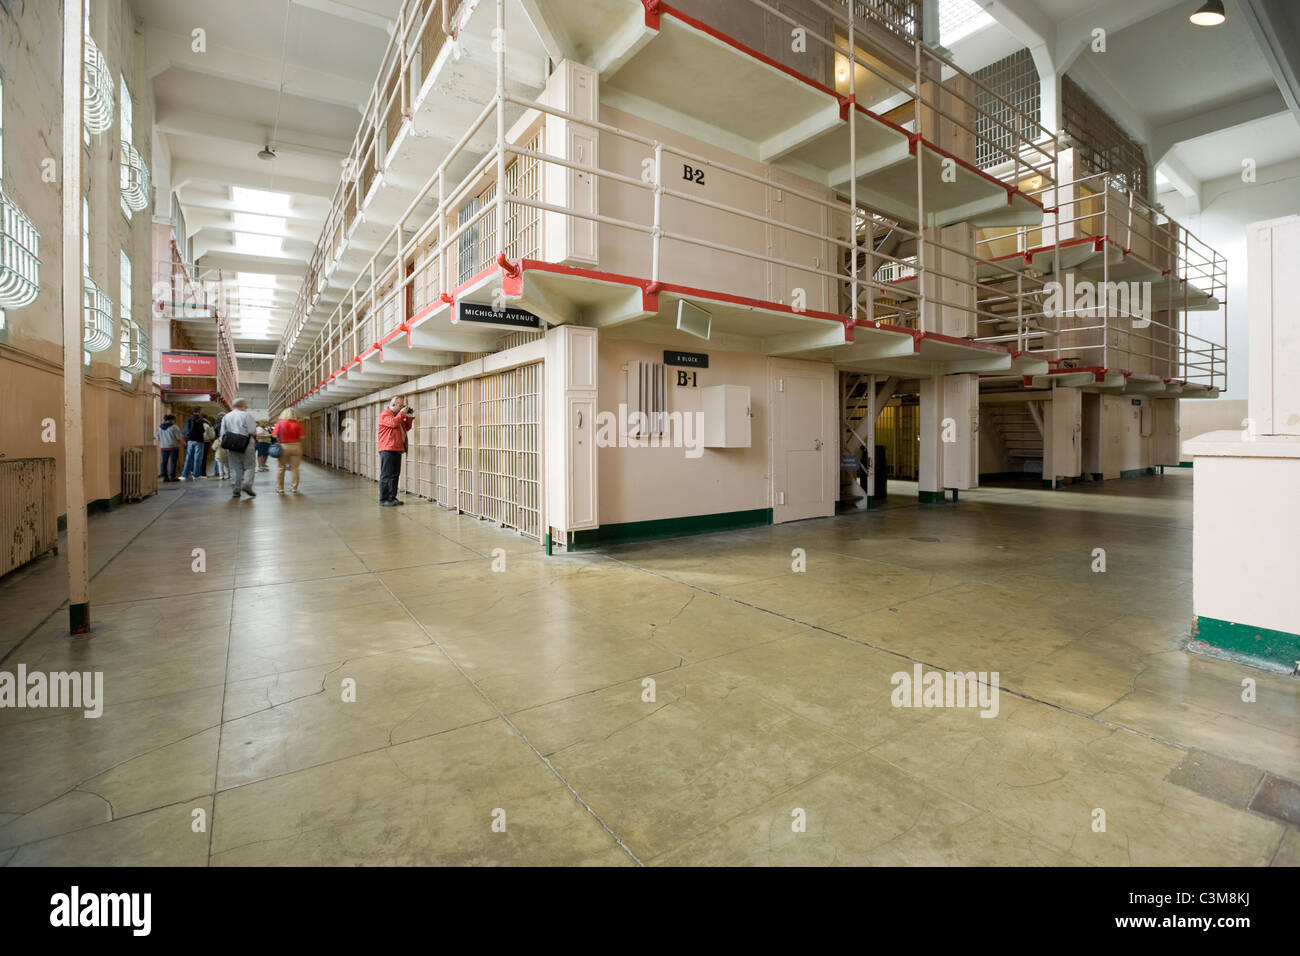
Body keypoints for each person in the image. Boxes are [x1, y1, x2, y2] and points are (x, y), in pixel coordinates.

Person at [377, 396, 414, 507]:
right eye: (400, 405)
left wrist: (409, 416)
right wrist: (402, 414)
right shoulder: (385, 414)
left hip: (397, 448)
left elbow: (406, 428)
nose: (402, 407)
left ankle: (392, 497)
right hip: (387, 449)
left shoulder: (397, 416)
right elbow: (393, 423)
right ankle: (384, 499)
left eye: (403, 405)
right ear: (393, 404)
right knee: (386, 475)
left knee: (395, 475)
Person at [219, 398, 259, 499]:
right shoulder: (246, 415)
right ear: (243, 405)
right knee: (249, 466)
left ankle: (236, 490)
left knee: (235, 467)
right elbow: (252, 431)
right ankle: (247, 484)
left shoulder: (226, 416)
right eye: (246, 405)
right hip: (246, 445)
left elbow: (222, 433)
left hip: (232, 445)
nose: (247, 406)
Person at [273, 407, 305, 494]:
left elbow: (274, 435)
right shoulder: (297, 424)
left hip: (283, 447)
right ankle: (294, 488)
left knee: (281, 468)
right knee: (295, 468)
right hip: (296, 446)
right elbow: (302, 436)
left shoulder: (280, 423)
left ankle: (280, 488)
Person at [179, 411, 208, 480]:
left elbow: (184, 431)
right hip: (199, 441)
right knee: (197, 459)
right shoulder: (200, 421)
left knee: (188, 458)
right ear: (199, 413)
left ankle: (184, 475)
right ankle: (196, 475)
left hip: (190, 441)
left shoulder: (188, 420)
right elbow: (202, 431)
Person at [157, 414, 183, 482]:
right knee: (173, 461)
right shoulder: (174, 427)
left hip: (163, 447)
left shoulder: (160, 427)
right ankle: (172, 476)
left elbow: (158, 438)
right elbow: (178, 437)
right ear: (172, 420)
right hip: (173, 447)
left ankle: (165, 476)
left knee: (164, 461)